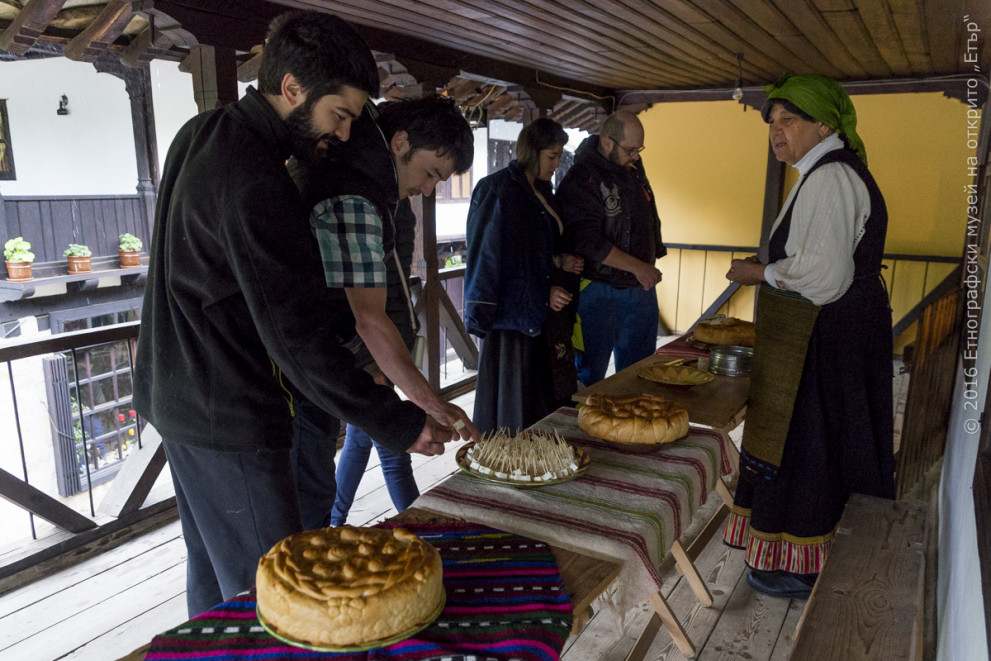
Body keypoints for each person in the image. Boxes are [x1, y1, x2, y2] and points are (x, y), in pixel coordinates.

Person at [133, 10, 462, 618]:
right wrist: (395, 421)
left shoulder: (200, 132)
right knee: (277, 598)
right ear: (291, 89)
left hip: (173, 394)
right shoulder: (255, 178)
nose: (341, 134)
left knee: (215, 592)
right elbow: (295, 338)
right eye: (339, 114)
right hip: (227, 409)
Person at [722, 74, 894, 599]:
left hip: (826, 337)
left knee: (813, 446)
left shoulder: (828, 178)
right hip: (838, 333)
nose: (777, 130)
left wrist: (759, 274)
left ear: (824, 124)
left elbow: (822, 276)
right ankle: (806, 553)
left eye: (788, 120)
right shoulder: (824, 173)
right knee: (826, 442)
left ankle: (801, 562)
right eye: (773, 121)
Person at [289, 95, 478, 528]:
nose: (429, 189)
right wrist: (431, 403)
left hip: (326, 368)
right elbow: (370, 318)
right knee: (304, 518)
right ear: (398, 142)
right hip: (302, 381)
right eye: (430, 173)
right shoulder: (354, 194)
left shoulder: (366, 181)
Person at [464, 118, 584, 434]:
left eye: (560, 155)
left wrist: (559, 260)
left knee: (541, 406)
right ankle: (510, 471)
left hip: (539, 319)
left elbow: (533, 252)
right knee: (512, 413)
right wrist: (538, 293)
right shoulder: (499, 190)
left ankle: (541, 467)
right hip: (512, 323)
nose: (557, 163)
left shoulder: (541, 191)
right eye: (552, 156)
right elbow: (489, 262)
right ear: (532, 152)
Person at [557, 110, 667, 387]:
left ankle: (634, 429)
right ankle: (580, 430)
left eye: (639, 149)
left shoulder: (631, 169)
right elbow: (586, 240)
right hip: (596, 289)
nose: (637, 156)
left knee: (640, 376)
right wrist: (639, 267)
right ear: (607, 143)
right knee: (587, 377)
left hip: (638, 289)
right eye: (631, 149)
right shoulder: (582, 177)